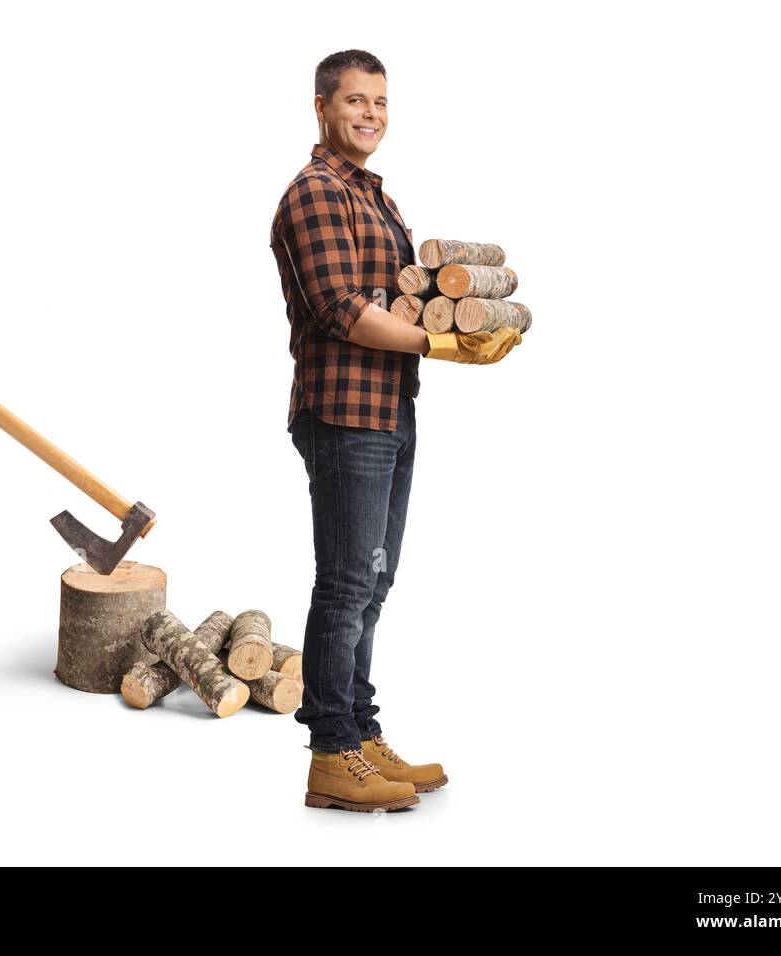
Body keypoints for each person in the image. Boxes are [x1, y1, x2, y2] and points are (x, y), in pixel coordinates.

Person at [269, 49, 521, 812]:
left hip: (389, 409)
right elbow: (342, 309)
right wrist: (437, 343)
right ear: (321, 107)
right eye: (355, 101)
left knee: (372, 584)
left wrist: (440, 312)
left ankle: (361, 731)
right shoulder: (315, 194)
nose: (371, 114)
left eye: (381, 102)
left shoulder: (373, 195)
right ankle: (331, 752)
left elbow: (393, 297)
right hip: (344, 414)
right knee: (344, 585)